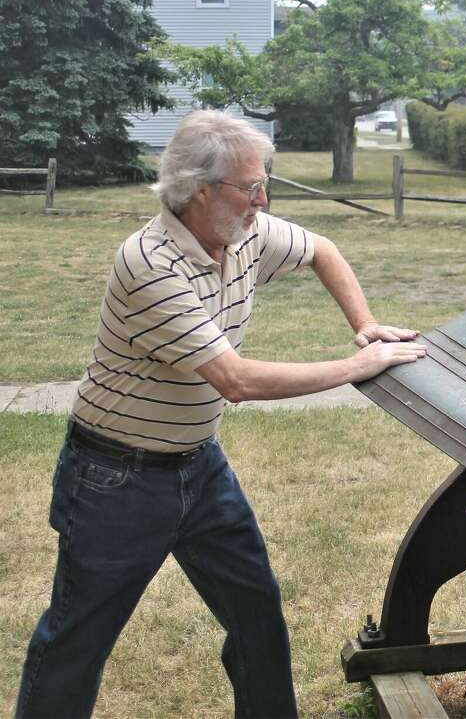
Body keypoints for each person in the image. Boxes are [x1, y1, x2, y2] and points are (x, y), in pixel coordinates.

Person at [16, 110, 427, 718]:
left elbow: (323, 250)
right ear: (198, 190)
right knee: (79, 636)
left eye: (265, 184)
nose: (262, 200)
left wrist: (364, 325)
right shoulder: (149, 264)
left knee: (255, 610)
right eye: (250, 187)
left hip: (199, 466)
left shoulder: (244, 233)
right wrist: (356, 366)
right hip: (115, 481)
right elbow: (235, 379)